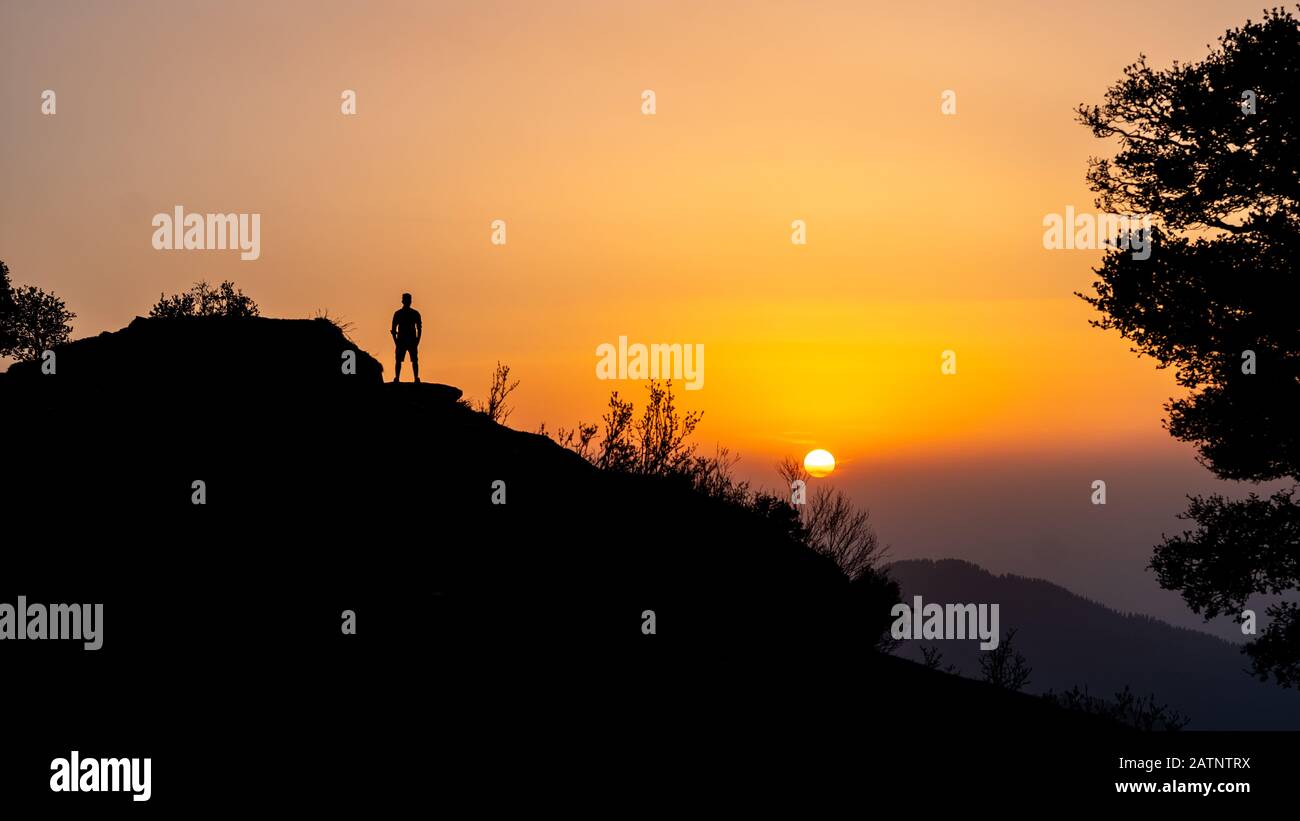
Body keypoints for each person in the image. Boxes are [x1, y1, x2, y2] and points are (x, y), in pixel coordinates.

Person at [391, 293, 422, 383]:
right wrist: (396, 341)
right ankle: (397, 377)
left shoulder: (414, 313)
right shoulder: (398, 314)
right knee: (399, 360)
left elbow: (419, 329)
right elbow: (393, 329)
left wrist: (417, 340)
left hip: (409, 340)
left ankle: (415, 378)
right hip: (403, 340)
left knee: (414, 360)